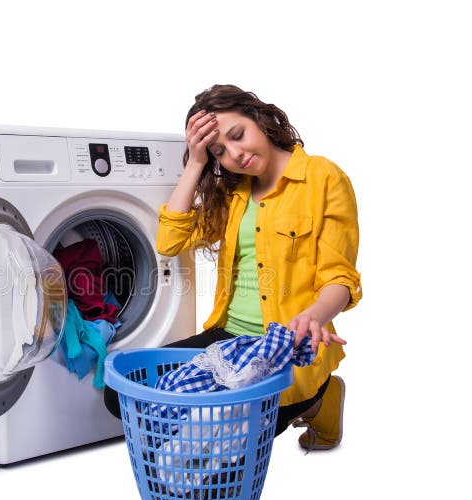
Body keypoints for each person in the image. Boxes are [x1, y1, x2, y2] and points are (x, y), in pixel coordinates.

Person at [105, 84, 361, 451]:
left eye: (238, 135)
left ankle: (319, 397)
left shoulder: (323, 179)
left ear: (259, 118)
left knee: (220, 453)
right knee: (120, 398)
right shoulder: (233, 193)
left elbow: (340, 276)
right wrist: (196, 161)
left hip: (285, 350)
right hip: (228, 341)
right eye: (219, 151)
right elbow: (169, 242)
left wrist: (312, 317)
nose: (236, 154)